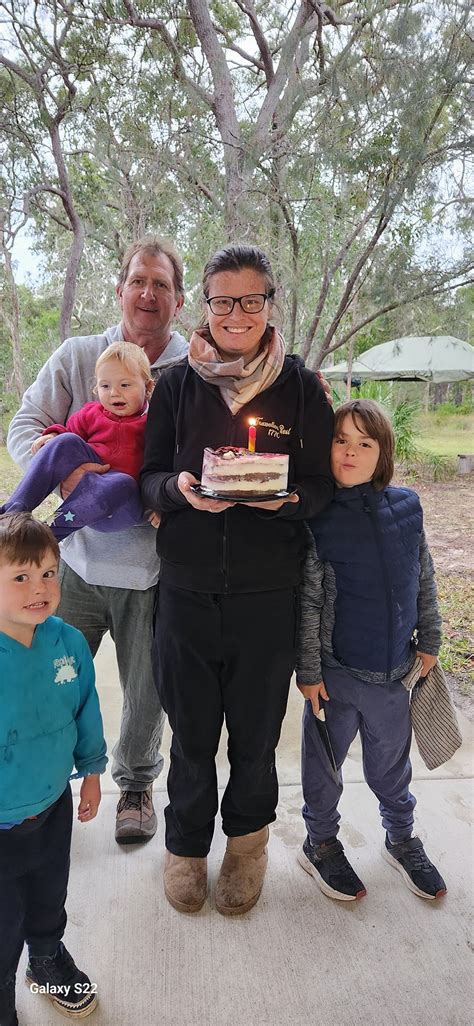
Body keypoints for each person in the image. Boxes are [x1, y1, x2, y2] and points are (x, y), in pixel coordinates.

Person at [140, 243, 334, 917]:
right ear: (206, 306)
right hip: (187, 593)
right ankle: (185, 850)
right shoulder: (176, 385)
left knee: (254, 737)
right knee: (191, 737)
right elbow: (149, 477)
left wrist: (288, 502)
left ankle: (247, 847)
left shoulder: (300, 387)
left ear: (269, 305)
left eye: (252, 300)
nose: (237, 314)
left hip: (265, 597)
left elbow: (320, 486)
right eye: (224, 300)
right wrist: (181, 491)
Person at [7, 236, 188, 844]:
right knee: (50, 676)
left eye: (162, 284)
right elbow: (30, 424)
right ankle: (41, 783)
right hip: (75, 564)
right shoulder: (80, 356)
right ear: (119, 289)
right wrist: (66, 467)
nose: (148, 294)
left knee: (146, 688)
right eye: (139, 280)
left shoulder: (193, 370)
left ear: (179, 300)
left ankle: (134, 785)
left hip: (154, 569)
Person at [296, 399, 447, 902]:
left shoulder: (406, 506)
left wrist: (431, 639)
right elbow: (310, 601)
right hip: (335, 674)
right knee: (325, 766)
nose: (350, 451)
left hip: (395, 671)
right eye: (341, 439)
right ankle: (319, 842)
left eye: (365, 442)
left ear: (383, 453)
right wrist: (310, 671)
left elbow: (422, 576)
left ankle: (400, 837)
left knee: (390, 765)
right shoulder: (318, 518)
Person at [0, 513, 107, 1026]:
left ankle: (46, 959)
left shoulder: (67, 642)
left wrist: (91, 770)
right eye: (20, 577)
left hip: (52, 806)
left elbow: (87, 708)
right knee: (1, 928)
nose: (38, 588)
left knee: (49, 898)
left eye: (47, 573)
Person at [1, 342, 159, 539]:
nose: (114, 393)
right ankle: (11, 514)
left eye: (124, 385)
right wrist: (53, 436)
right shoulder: (91, 413)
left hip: (123, 505)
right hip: (88, 489)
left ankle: (47, 534)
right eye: (105, 385)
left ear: (148, 386)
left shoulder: (154, 422)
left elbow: (163, 465)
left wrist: (161, 505)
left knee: (123, 482)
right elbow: (68, 438)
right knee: (65, 439)